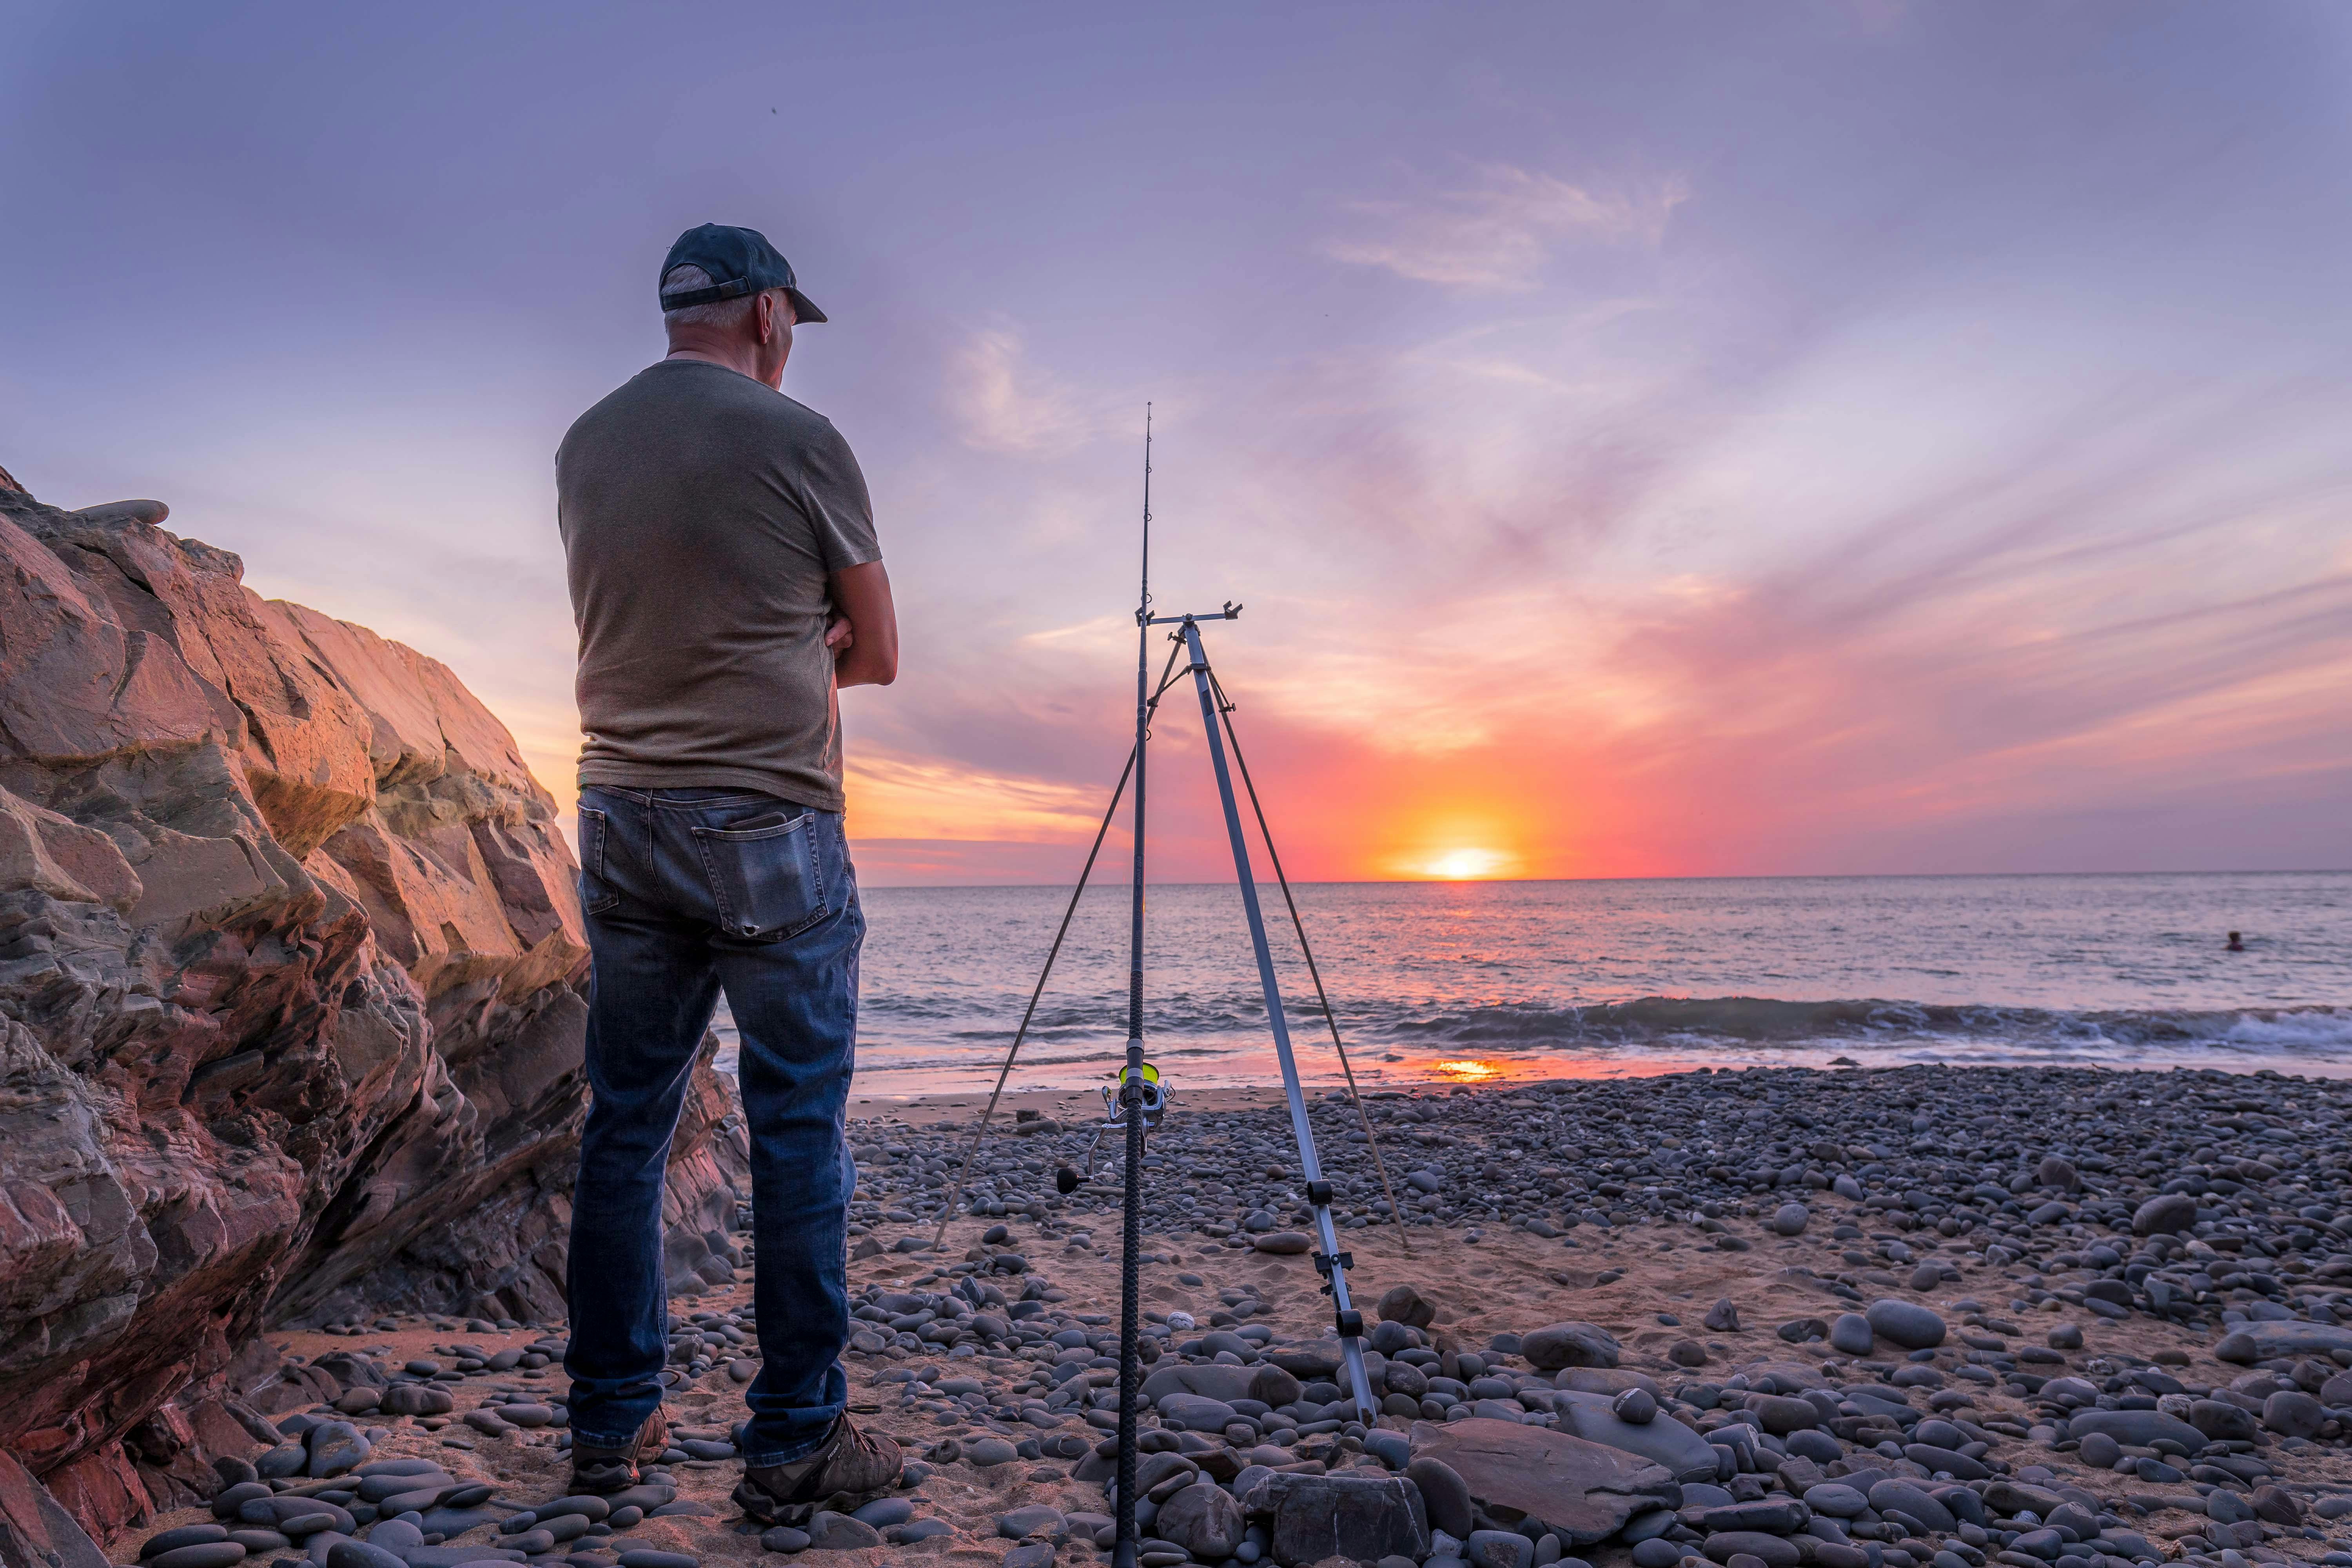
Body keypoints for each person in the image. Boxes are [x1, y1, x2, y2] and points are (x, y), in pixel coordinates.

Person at [553, 223, 902, 1521]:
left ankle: (609, 1426)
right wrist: (807, 638)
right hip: (768, 819)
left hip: (621, 809)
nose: (791, 341)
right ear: (767, 315)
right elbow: (876, 651)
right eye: (792, 323)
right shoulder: (801, 439)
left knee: (624, 1131)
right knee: (798, 1130)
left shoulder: (585, 442)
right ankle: (796, 1437)